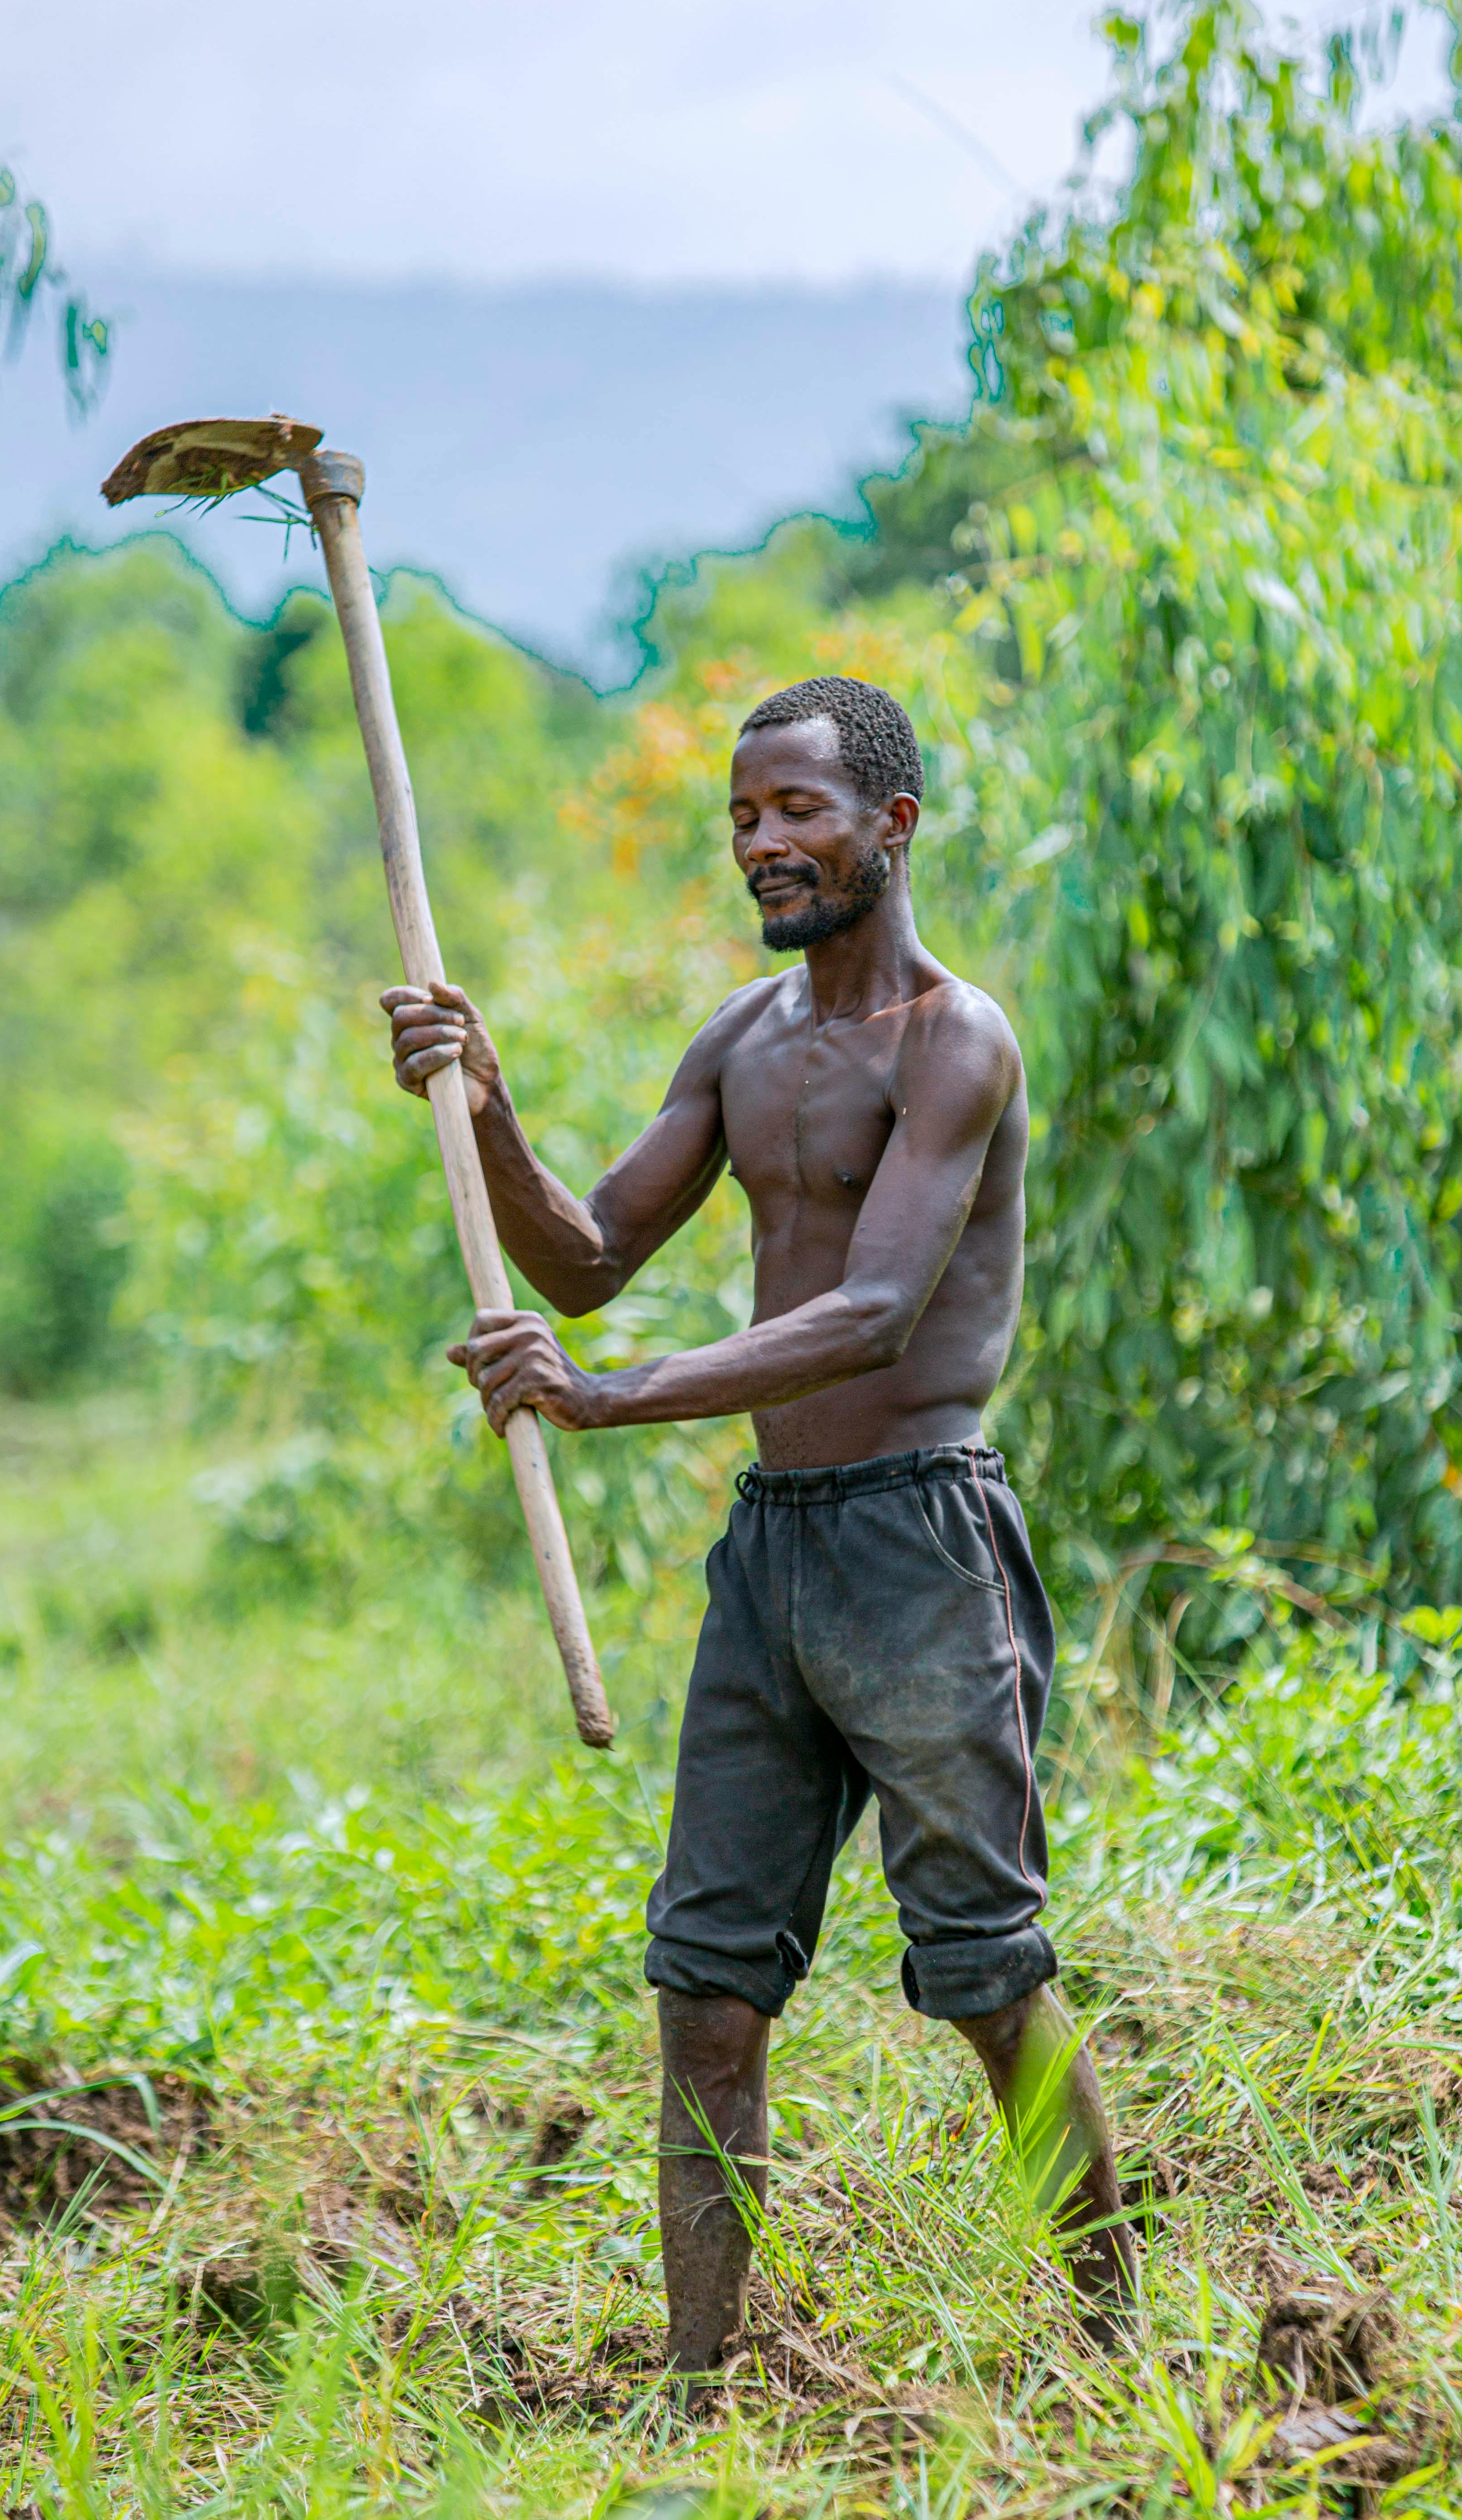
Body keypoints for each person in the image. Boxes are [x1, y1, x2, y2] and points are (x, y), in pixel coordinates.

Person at [381, 674, 1133, 2371]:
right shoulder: (742, 1041)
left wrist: (607, 1395)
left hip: (921, 1549)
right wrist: (483, 1105)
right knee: (706, 1991)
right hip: (775, 1552)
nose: (764, 845)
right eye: (743, 818)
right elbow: (584, 1260)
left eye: (796, 811)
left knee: (988, 1979)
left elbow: (874, 1312)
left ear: (891, 824)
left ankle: (1118, 2347)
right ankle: (706, 2388)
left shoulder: (959, 1039)